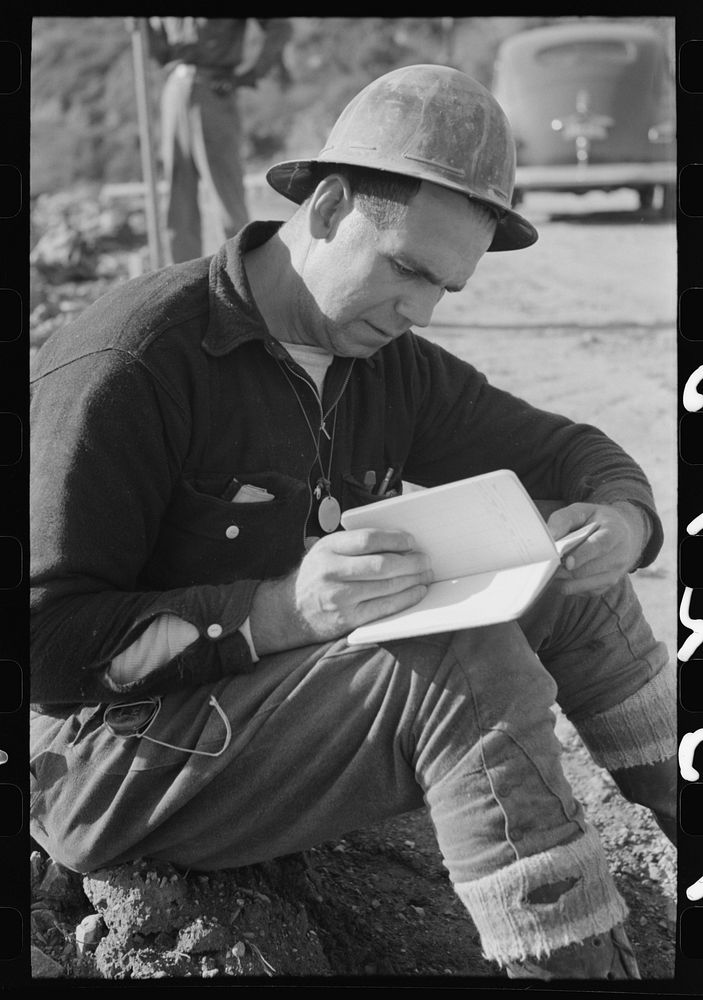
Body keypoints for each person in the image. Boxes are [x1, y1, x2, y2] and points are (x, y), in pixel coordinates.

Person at [30, 65, 676, 980]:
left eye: (445, 289)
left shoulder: (384, 360)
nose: (418, 311)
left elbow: (574, 452)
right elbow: (44, 646)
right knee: (465, 665)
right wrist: (280, 609)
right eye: (407, 269)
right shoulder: (134, 360)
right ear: (329, 208)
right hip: (117, 764)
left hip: (266, 711)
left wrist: (620, 520)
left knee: (570, 578)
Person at [145, 17, 292, 263]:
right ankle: (180, 283)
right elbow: (161, 53)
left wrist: (250, 74)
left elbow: (280, 26)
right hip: (175, 89)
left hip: (214, 90)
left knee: (226, 191)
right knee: (177, 195)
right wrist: (143, 27)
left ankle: (240, 274)